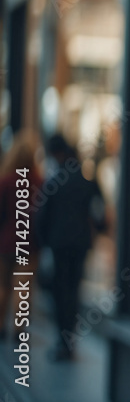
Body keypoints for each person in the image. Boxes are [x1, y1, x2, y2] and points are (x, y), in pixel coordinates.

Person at [37, 133, 106, 361]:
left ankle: (63, 341)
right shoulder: (87, 181)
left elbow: (42, 217)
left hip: (59, 244)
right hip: (79, 244)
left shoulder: (54, 181)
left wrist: (42, 241)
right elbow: (100, 212)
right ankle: (70, 341)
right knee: (73, 291)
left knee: (60, 292)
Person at [0, 130, 42, 341]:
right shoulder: (39, 182)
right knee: (23, 286)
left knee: (3, 285)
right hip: (29, 242)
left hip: (6, 242)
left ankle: (1, 326)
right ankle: (18, 329)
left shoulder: (5, 181)